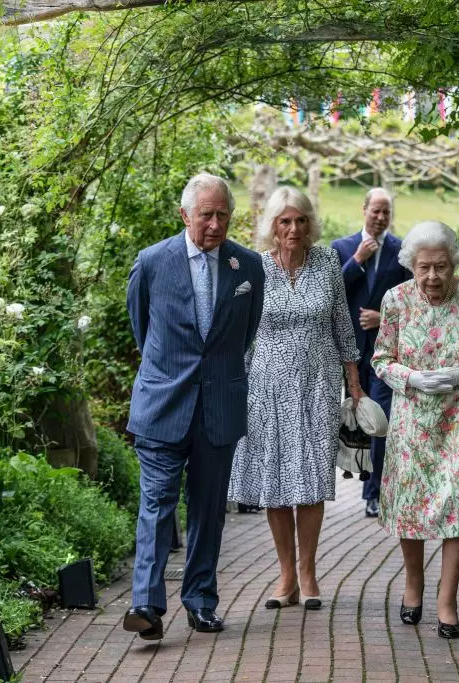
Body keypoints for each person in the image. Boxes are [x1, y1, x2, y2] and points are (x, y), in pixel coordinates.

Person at [123, 174, 265, 640]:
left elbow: (246, 335)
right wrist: (171, 373)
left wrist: (217, 376)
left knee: (208, 510)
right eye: (206, 214)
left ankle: (201, 602)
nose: (215, 223)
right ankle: (146, 603)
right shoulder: (151, 262)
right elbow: (142, 330)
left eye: (223, 214)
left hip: (218, 407)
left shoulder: (248, 267)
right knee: (157, 503)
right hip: (164, 404)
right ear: (185, 215)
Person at [372, 221, 459, 638]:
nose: (432, 277)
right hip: (412, 422)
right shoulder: (395, 300)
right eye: (424, 267)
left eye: (442, 267)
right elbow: (381, 360)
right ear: (411, 265)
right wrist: (412, 378)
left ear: (455, 264)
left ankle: (447, 601)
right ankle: (413, 585)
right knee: (411, 507)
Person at [230, 187, 363, 611]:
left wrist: (354, 383)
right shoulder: (254, 266)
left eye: (301, 220)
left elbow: (343, 323)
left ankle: (308, 572)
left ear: (311, 224)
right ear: (273, 225)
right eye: (285, 221)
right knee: (274, 480)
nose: (294, 229)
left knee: (309, 479)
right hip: (265, 386)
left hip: (318, 385)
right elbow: (239, 329)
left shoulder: (327, 261)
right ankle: (286, 573)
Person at [331, 188, 412, 518]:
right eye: (375, 211)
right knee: (356, 420)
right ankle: (360, 479)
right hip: (349, 351)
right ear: (364, 209)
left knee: (379, 420)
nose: (380, 218)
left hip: (384, 351)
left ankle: (373, 492)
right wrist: (358, 261)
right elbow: (331, 292)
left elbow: (411, 299)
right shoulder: (342, 248)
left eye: (386, 213)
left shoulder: (402, 250)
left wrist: (384, 318)